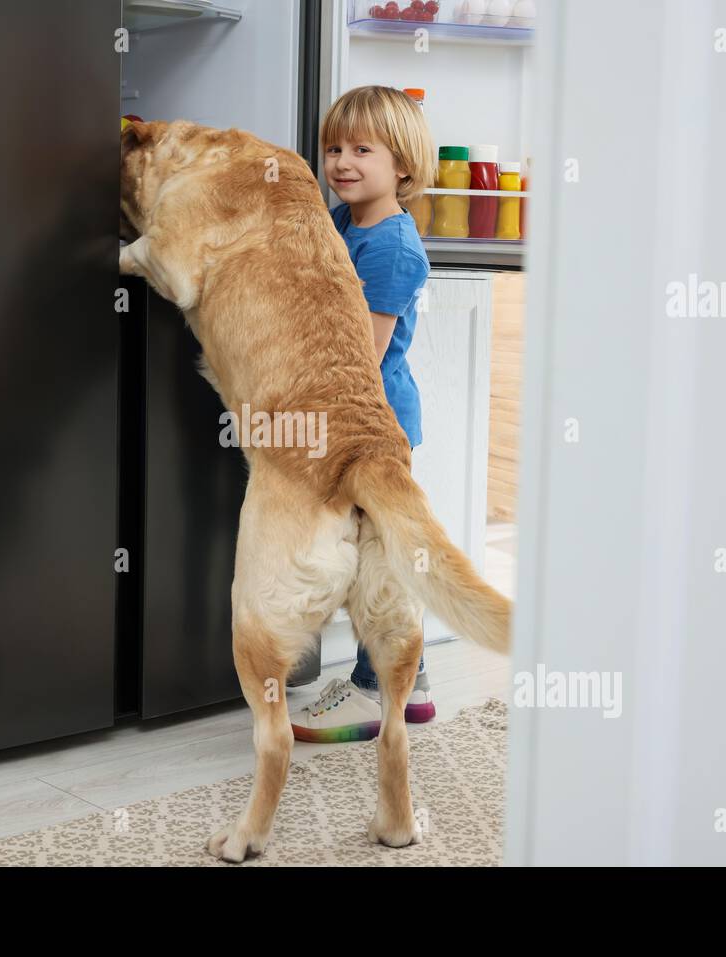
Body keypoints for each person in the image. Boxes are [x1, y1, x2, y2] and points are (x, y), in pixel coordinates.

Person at [289, 85, 437, 743]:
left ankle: (378, 692)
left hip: (373, 425)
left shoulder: (392, 248)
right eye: (334, 148)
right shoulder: (347, 221)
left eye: (362, 150)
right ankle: (412, 683)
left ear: (403, 164)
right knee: (379, 554)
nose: (343, 162)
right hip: (356, 419)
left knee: (376, 561)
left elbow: (362, 357)